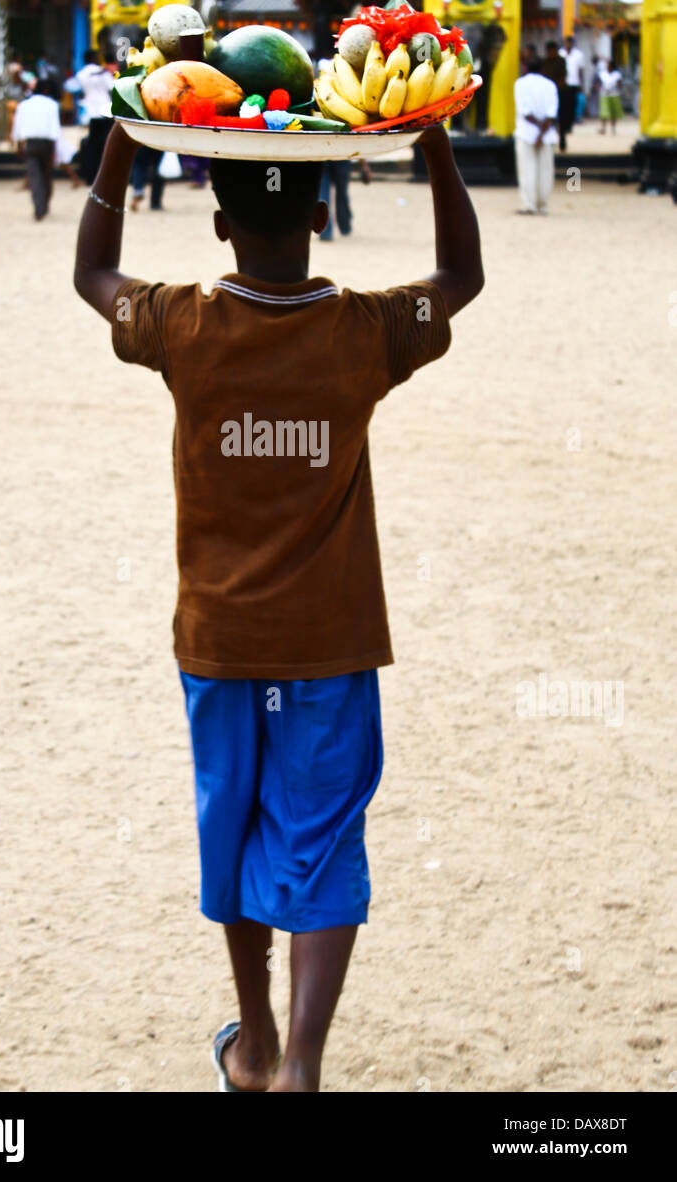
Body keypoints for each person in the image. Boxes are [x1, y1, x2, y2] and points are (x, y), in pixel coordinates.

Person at [73, 121, 484, 1092]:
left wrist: (124, 148)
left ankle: (254, 1046)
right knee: (324, 839)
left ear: (218, 225)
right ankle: (303, 1064)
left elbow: (93, 272)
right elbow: (460, 276)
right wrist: (435, 150)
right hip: (331, 646)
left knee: (238, 834)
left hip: (218, 643)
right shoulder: (364, 330)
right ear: (317, 212)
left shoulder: (182, 323)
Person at [514, 52, 559, 216]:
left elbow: (524, 111)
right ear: (542, 68)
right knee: (545, 170)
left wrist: (537, 131)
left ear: (526, 67)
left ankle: (529, 204)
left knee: (527, 169)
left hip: (526, 132)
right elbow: (551, 113)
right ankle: (542, 204)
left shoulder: (520, 84)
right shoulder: (550, 85)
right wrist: (542, 132)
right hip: (546, 134)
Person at [12, 76, 61, 220]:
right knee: (46, 175)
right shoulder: (51, 104)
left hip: (30, 143)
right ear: (46, 90)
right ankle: (43, 203)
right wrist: (54, 150)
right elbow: (55, 129)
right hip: (47, 144)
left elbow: (18, 127)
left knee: (35, 177)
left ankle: (39, 206)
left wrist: (19, 146)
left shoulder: (24, 105)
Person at [75, 49, 114, 184]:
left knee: (93, 146)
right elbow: (112, 87)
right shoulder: (103, 72)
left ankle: (91, 176)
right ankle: (106, 176)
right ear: (93, 58)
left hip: (91, 113)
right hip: (105, 112)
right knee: (107, 145)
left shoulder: (81, 74)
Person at [558, 35, 585, 152]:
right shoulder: (560, 53)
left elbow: (580, 70)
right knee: (562, 106)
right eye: (566, 43)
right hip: (562, 84)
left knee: (571, 105)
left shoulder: (578, 55)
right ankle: (562, 126)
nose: (568, 45)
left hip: (573, 83)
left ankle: (568, 125)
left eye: (570, 43)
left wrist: (581, 83)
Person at [319, 160, 352, 241]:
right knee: (342, 193)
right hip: (342, 156)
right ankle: (345, 226)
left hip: (324, 157)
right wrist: (364, 165)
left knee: (323, 193)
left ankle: (325, 231)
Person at [129, 146, 164, 212]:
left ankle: (138, 189)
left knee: (139, 165)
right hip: (159, 142)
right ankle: (155, 203)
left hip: (142, 140)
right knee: (158, 169)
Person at [597, 60, 624, 135]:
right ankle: (603, 127)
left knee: (613, 113)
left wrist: (617, 86)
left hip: (614, 94)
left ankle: (613, 128)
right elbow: (598, 82)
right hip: (605, 94)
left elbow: (619, 83)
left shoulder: (617, 74)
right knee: (604, 112)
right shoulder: (603, 74)